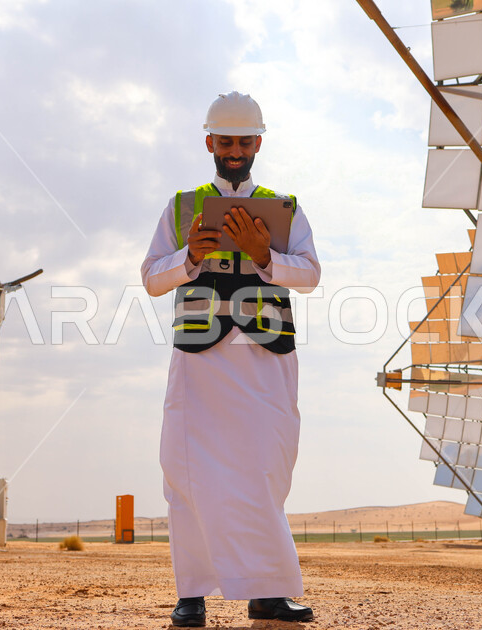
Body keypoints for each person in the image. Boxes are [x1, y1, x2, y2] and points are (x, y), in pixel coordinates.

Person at [140, 92, 322, 627]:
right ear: (210, 143)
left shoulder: (285, 207)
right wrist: (190, 256)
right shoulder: (181, 207)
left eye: (244, 141)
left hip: (266, 358)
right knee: (188, 473)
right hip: (199, 362)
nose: (235, 150)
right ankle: (192, 595)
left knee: (265, 470)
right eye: (226, 141)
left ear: (258, 144)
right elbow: (151, 278)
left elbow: (310, 274)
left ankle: (268, 593)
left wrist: (265, 255)